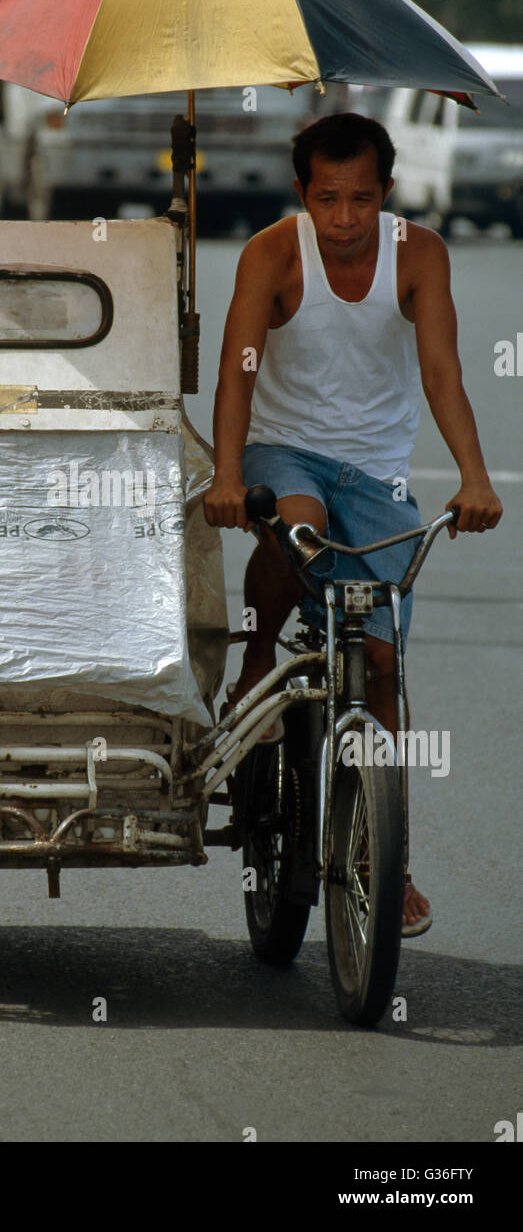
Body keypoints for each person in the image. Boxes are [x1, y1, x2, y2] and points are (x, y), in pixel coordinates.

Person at [203, 112, 503, 936]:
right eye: (327, 199)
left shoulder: (420, 254)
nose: (343, 219)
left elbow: (440, 370)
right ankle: (257, 657)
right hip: (284, 452)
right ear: (302, 193)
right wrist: (227, 476)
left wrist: (474, 477)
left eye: (361, 200)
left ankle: (382, 858)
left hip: (375, 474)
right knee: (295, 529)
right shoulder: (270, 253)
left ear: (386, 193)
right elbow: (236, 372)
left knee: (381, 659)